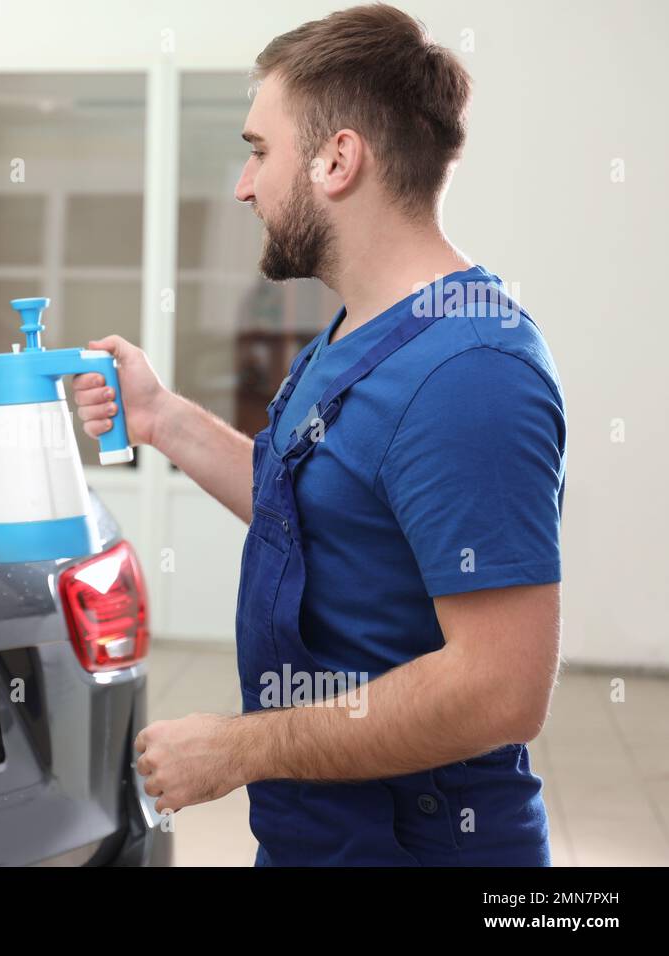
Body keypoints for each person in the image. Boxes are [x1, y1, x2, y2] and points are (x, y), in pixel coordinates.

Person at [73, 3, 565, 865]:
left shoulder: (471, 375)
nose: (243, 185)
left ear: (338, 159)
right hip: (320, 836)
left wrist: (241, 747)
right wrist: (163, 418)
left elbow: (501, 691)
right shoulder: (353, 334)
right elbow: (304, 506)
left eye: (259, 150)